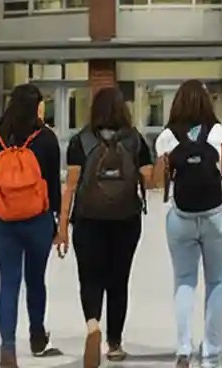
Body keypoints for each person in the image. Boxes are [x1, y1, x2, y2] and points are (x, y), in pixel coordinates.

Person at [55, 86, 154, 368]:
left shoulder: (81, 141)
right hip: (126, 220)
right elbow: (149, 179)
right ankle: (115, 344)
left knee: (89, 277)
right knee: (118, 280)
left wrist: (62, 226)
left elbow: (70, 187)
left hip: (88, 219)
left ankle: (92, 325)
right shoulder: (134, 140)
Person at [0, 83, 64, 368]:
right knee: (35, 280)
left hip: (2, 221)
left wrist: (7, 189)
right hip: (38, 219)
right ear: (35, 106)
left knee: (8, 282)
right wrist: (59, 220)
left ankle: (8, 350)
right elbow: (52, 185)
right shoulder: (46, 139)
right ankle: (37, 338)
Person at [154, 80, 222, 368]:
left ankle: (183, 348)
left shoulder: (166, 136)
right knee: (217, 281)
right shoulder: (219, 133)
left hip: (181, 217)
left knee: (184, 280)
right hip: (215, 217)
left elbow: (158, 182)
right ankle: (212, 351)